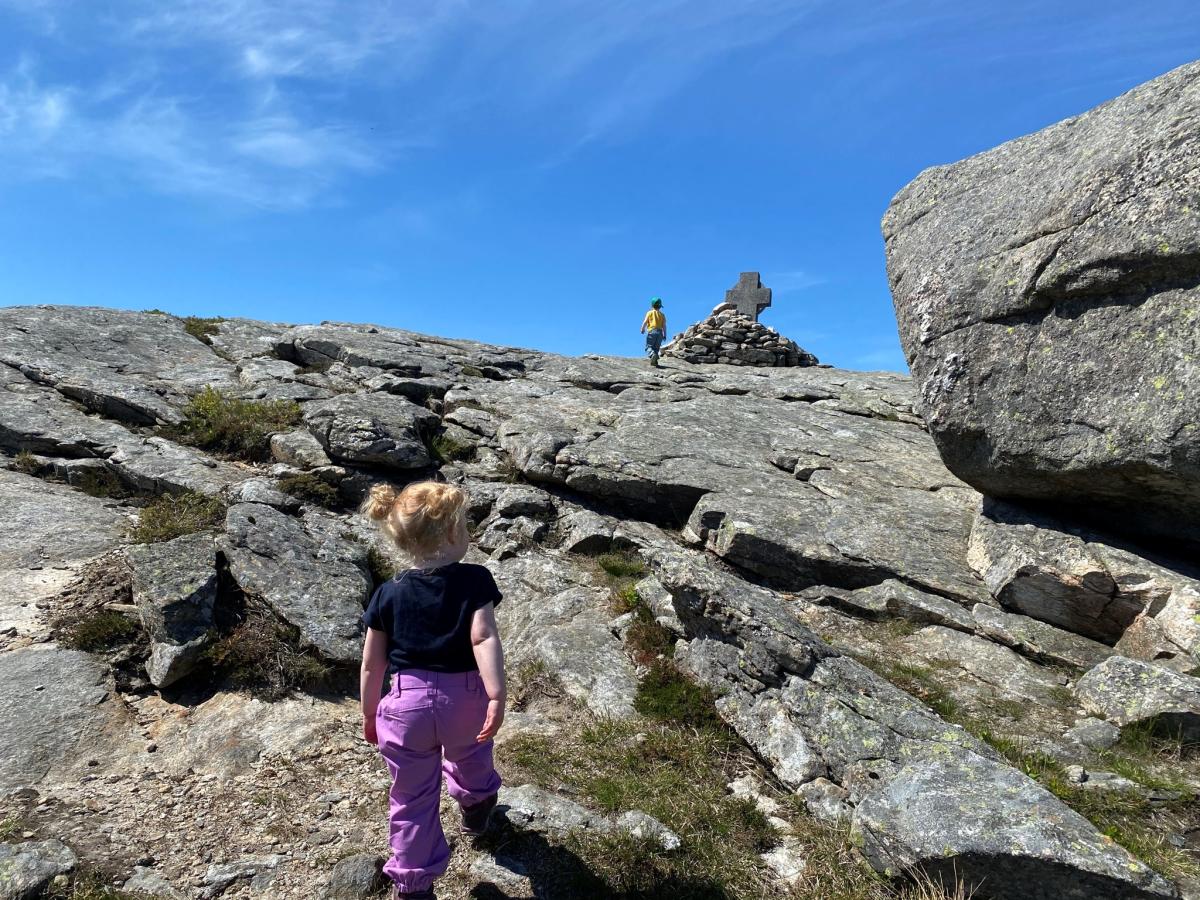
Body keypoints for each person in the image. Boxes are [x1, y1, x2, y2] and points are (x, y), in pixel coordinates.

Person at [360, 481, 505, 900]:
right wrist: (495, 694)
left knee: (412, 797)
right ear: (452, 535)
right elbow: (483, 638)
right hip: (465, 699)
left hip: (405, 706)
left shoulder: (388, 592)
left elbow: (373, 663)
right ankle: (476, 806)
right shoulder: (476, 579)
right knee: (472, 752)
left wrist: (370, 713)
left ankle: (413, 883)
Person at [640, 297, 666, 368]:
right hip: (660, 333)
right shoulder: (662, 315)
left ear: (652, 305)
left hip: (652, 331)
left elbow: (645, 321)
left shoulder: (649, 312)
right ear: (660, 306)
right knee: (656, 348)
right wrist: (664, 335)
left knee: (649, 347)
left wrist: (642, 329)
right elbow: (664, 326)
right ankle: (655, 362)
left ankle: (652, 355)